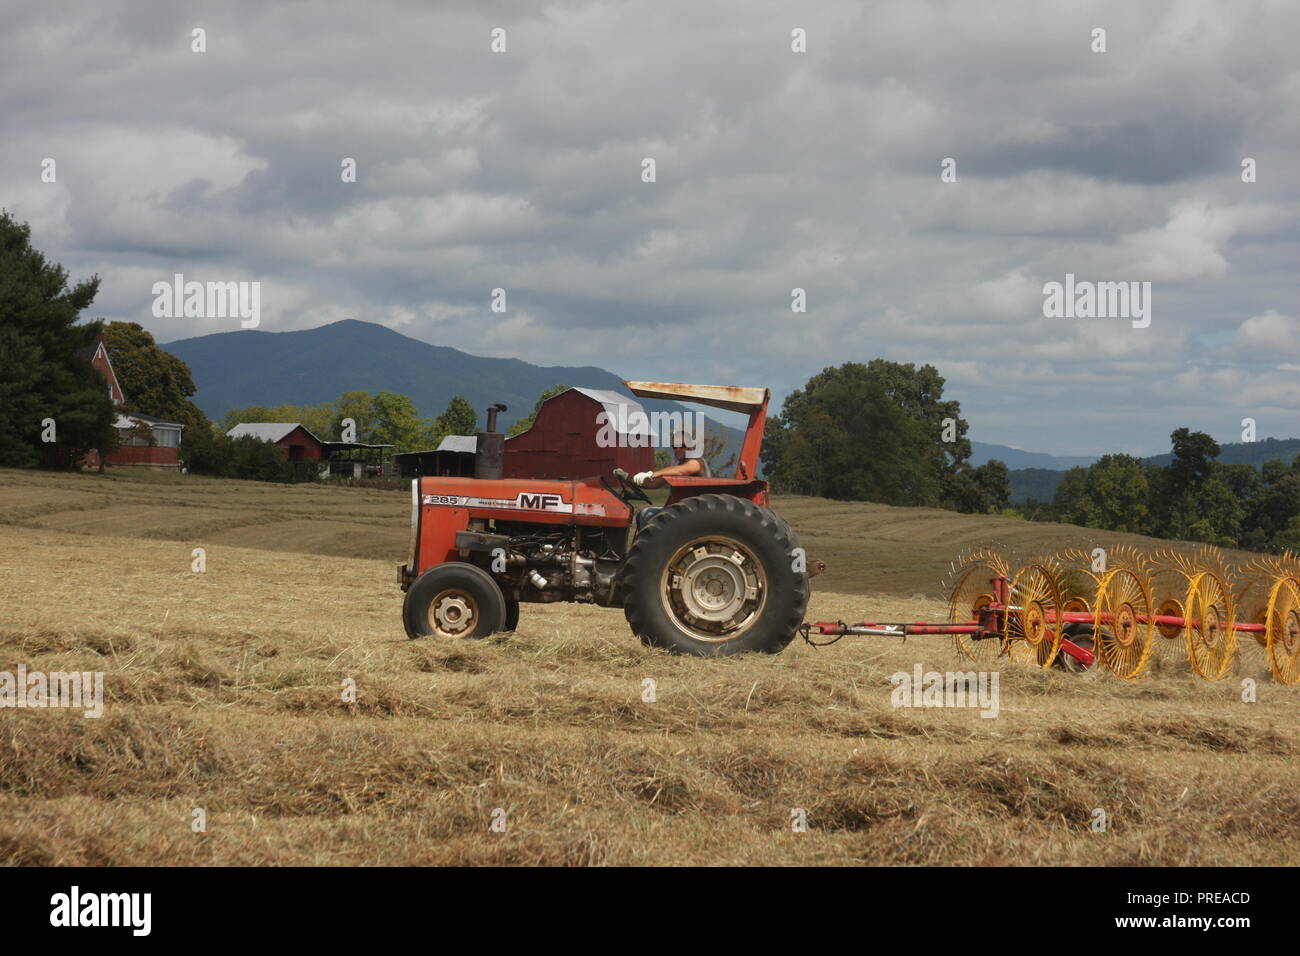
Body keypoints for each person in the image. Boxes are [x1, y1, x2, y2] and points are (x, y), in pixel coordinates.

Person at [631, 430, 711, 529]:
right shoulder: (675, 465)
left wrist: (652, 474)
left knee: (646, 515)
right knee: (644, 514)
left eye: (682, 446)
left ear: (690, 447)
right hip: (683, 510)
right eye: (674, 446)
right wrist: (630, 478)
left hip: (697, 512)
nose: (677, 449)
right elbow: (653, 484)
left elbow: (682, 471)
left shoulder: (697, 461)